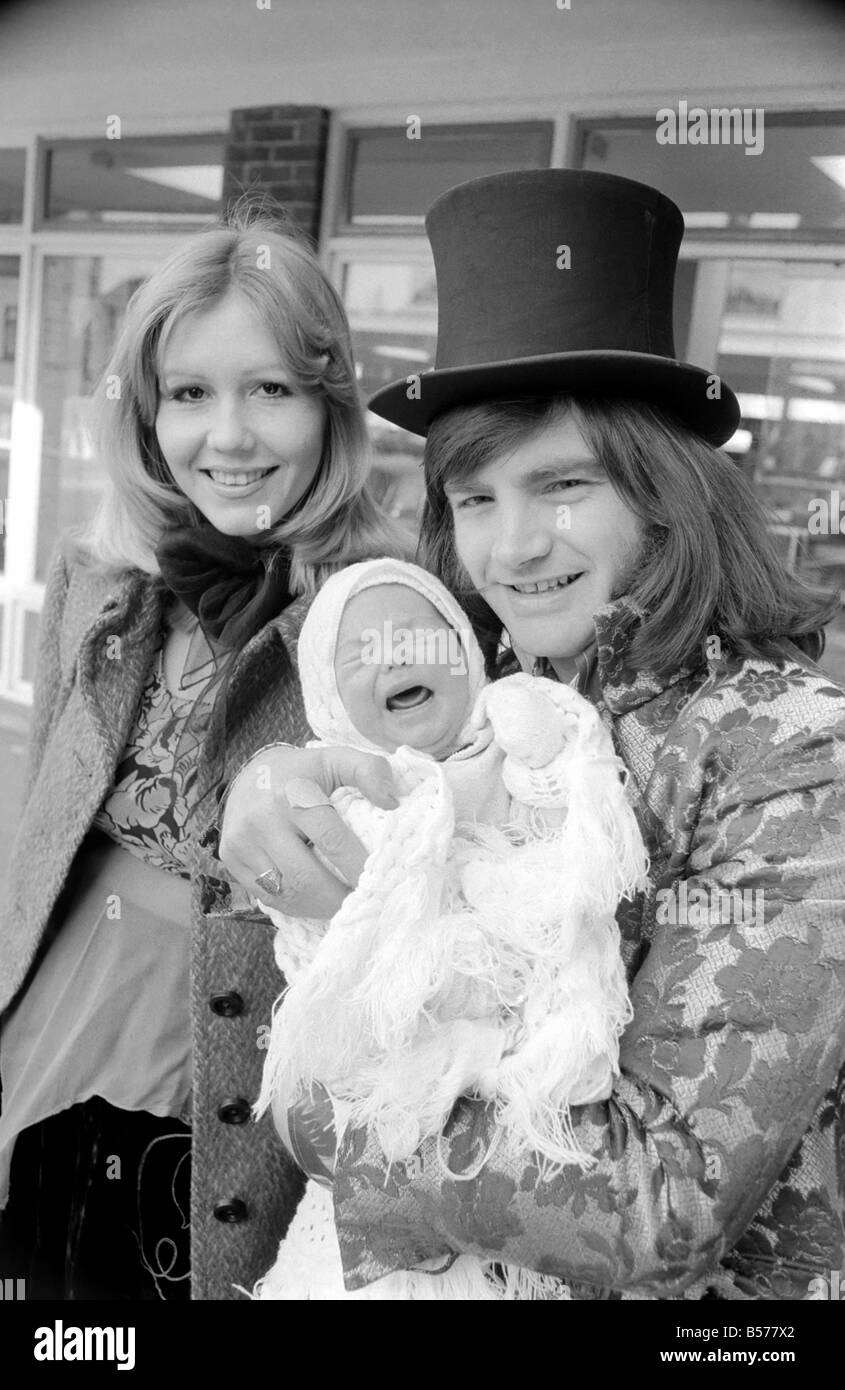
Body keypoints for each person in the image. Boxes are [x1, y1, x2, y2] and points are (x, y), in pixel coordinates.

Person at [219, 170, 845, 1301]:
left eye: (561, 484)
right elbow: (317, 1038)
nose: (511, 549)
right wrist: (270, 787)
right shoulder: (485, 706)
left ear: (666, 492)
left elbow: (666, 1201)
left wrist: (356, 1128)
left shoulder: (790, 750)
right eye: (475, 498)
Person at [0, 203, 407, 1300]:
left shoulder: (384, 613)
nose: (229, 435)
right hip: (44, 1048)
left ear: (329, 406)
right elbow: (43, 832)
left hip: (223, 1112)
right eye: (189, 393)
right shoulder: (102, 585)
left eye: (271, 389)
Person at [250, 556, 645, 1299]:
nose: (397, 655)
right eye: (361, 652)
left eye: (420, 636)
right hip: (394, 1142)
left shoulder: (528, 753)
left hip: (539, 1148)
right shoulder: (334, 813)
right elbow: (340, 973)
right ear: (329, 698)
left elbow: (578, 850)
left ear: (466, 651)